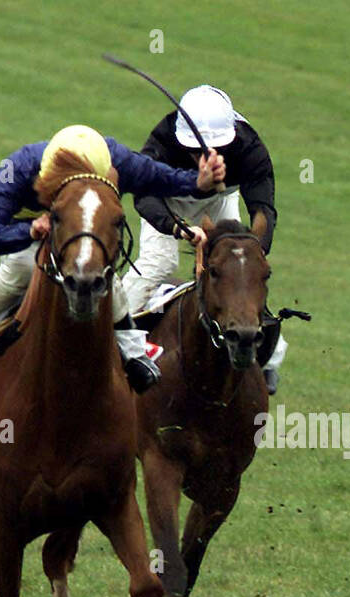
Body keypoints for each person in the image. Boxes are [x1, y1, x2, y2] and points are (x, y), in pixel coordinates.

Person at [0, 124, 225, 399]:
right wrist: (27, 230)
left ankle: (134, 354)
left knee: (104, 271)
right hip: (31, 241)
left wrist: (198, 181)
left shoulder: (113, 157)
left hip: (84, 237)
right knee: (20, 267)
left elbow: (157, 177)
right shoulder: (19, 168)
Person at [124, 85, 286, 393]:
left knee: (236, 267)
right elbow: (144, 196)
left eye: (216, 149)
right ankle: (109, 334)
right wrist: (176, 228)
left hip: (219, 198)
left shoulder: (250, 148)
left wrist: (255, 250)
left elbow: (263, 207)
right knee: (159, 262)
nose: (205, 158)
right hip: (167, 198)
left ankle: (269, 355)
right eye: (195, 151)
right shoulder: (163, 141)